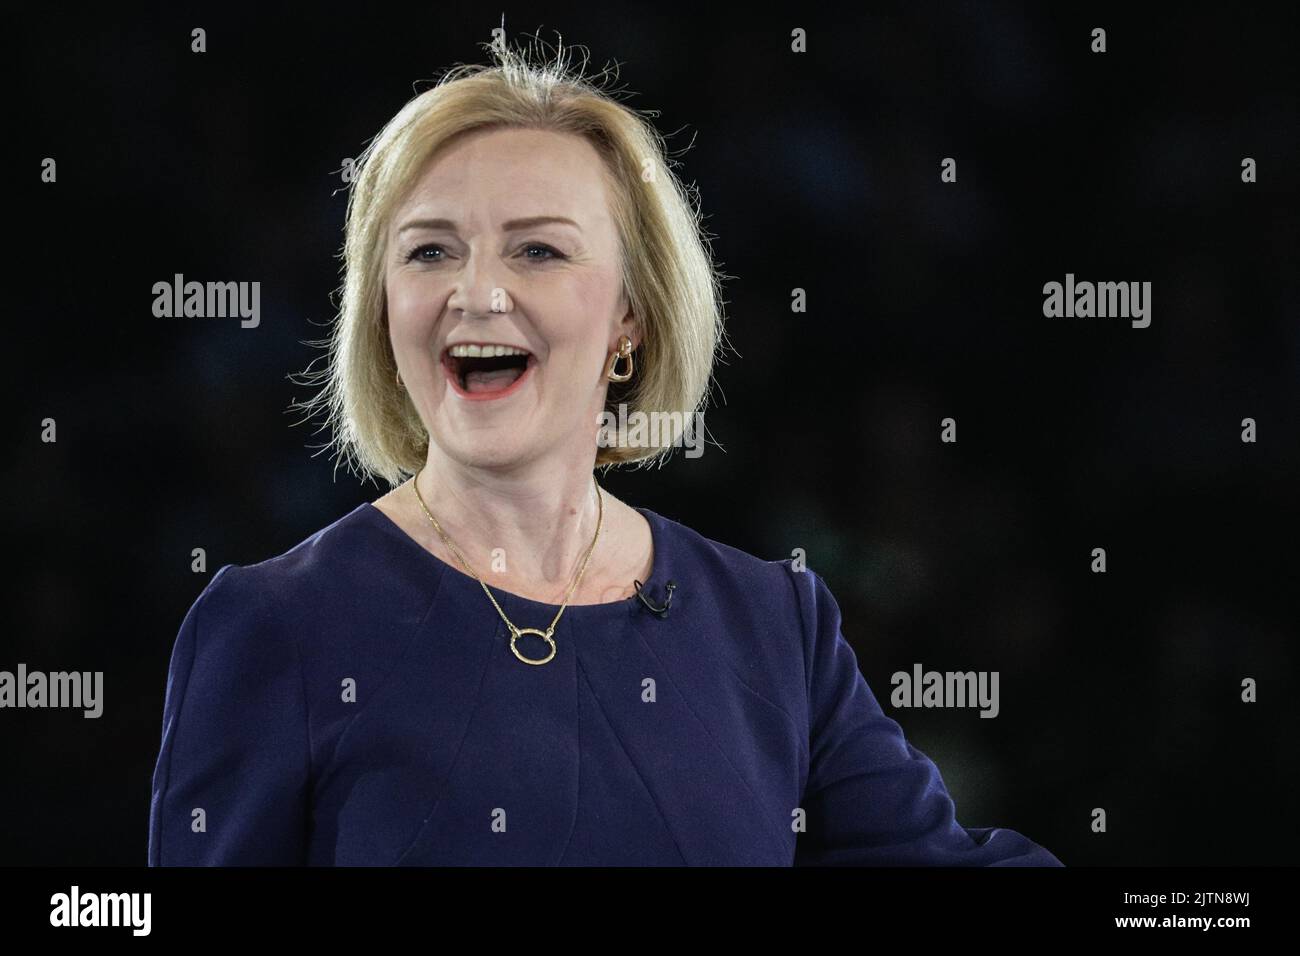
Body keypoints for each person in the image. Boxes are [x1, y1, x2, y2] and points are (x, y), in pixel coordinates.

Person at [147, 40, 1062, 867]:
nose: (478, 294)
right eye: (428, 252)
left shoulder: (771, 624)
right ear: (383, 310)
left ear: (630, 316)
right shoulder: (274, 629)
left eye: (538, 250)